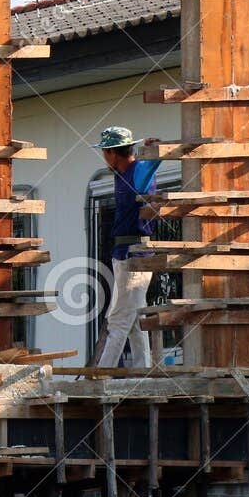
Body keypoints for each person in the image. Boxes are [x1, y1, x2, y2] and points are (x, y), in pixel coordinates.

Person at [93, 126, 161, 368]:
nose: (104, 157)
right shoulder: (120, 174)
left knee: (119, 319)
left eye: (105, 152)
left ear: (112, 153)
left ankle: (103, 373)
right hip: (124, 254)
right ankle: (143, 371)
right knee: (134, 319)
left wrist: (153, 151)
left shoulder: (137, 172)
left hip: (136, 255)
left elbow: (150, 165)